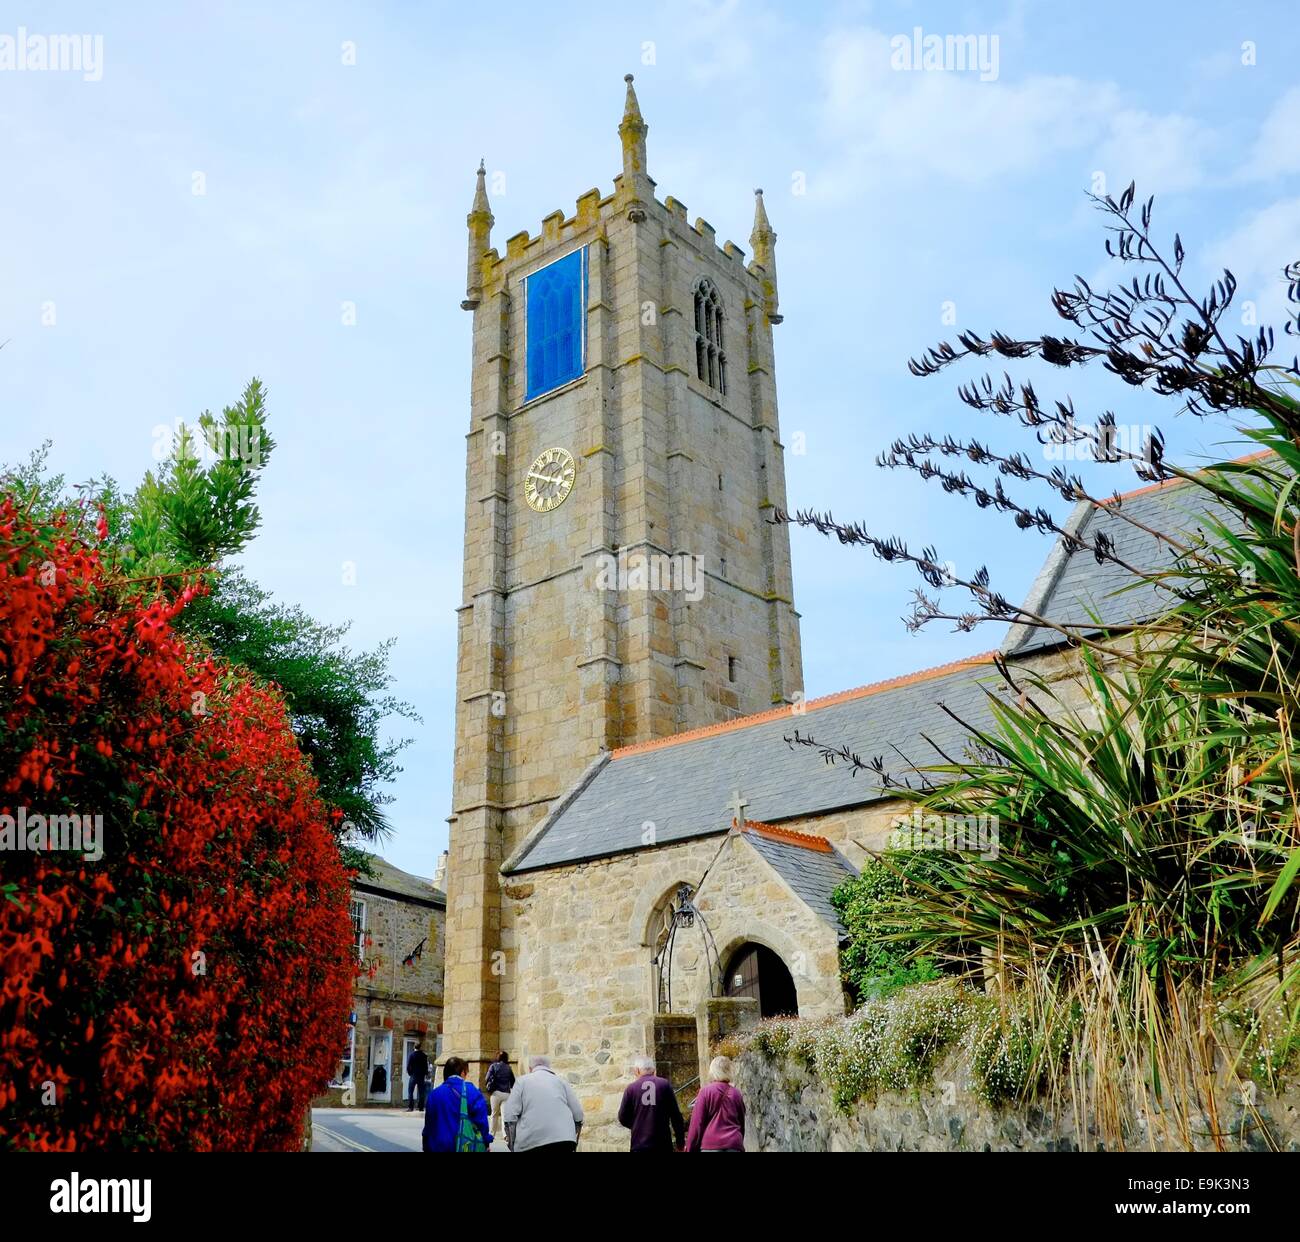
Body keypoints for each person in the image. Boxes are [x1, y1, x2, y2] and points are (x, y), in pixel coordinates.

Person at [502, 1055, 584, 1152]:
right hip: (565, 1141)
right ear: (549, 1067)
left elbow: (509, 1115)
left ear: (530, 1068)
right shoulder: (562, 1082)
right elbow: (578, 1114)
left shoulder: (522, 1082)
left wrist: (512, 1143)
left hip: (531, 1142)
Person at [422, 1057, 492, 1152]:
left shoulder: (433, 1095)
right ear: (462, 1072)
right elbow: (481, 1122)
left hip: (436, 1146)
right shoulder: (472, 1092)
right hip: (463, 1146)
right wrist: (485, 1142)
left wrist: (426, 1146)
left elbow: (428, 1126)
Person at [618, 1056, 685, 1152]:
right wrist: (680, 1143)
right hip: (663, 1144)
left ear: (637, 1070)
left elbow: (622, 1117)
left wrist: (637, 1125)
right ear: (654, 1070)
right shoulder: (665, 1085)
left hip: (639, 1144)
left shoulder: (631, 1089)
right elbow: (676, 1117)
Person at [684, 1056, 746, 1152]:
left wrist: (690, 1148)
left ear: (713, 1071)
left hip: (711, 1145)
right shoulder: (736, 1093)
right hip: (734, 1144)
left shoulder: (706, 1091)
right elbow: (741, 1123)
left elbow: (697, 1123)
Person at [484, 1050, 516, 1139]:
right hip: (506, 1094)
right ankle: (505, 1135)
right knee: (504, 1115)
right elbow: (513, 1082)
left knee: (494, 1114)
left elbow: (486, 1078)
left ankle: (491, 1134)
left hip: (495, 1093)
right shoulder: (508, 1068)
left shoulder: (493, 1066)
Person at [406, 1041, 430, 1112]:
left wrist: (410, 1073)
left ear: (414, 1047)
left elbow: (408, 1066)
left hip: (413, 1075)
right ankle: (421, 1107)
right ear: (420, 1047)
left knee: (410, 1091)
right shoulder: (424, 1055)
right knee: (421, 1092)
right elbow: (426, 1067)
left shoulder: (412, 1055)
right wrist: (425, 1074)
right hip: (421, 1076)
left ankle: (411, 1107)